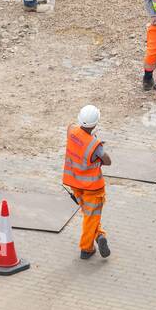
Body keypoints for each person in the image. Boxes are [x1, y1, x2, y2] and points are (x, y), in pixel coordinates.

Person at [63, 104, 113, 260]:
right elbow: (108, 161)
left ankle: (99, 235)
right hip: (93, 188)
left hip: (74, 183)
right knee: (91, 216)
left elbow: (72, 127)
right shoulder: (94, 145)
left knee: (89, 214)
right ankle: (86, 249)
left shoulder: (71, 131)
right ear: (95, 124)